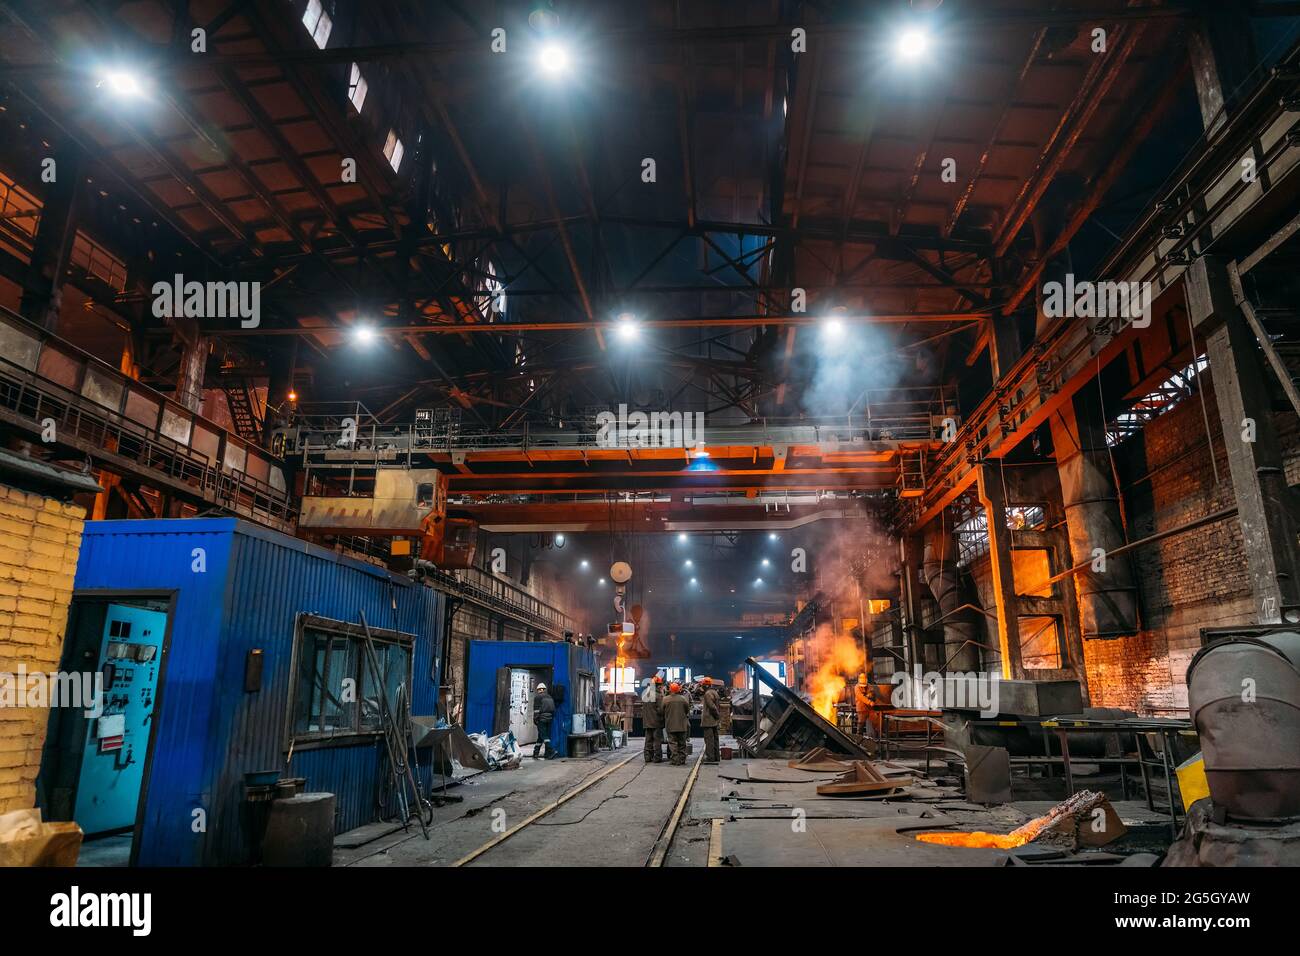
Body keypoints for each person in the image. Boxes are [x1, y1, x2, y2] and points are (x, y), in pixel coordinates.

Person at [661, 682, 690, 765]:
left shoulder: (665, 699)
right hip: (682, 725)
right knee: (682, 743)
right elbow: (687, 710)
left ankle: (675, 760)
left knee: (673, 743)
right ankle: (682, 759)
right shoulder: (683, 699)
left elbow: (661, 711)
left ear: (670, 689)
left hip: (670, 724)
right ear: (678, 690)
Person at [641, 675, 665, 763]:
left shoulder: (646, 694)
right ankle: (657, 758)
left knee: (648, 740)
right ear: (658, 686)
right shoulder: (658, 696)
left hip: (647, 722)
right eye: (661, 685)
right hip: (656, 722)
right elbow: (661, 710)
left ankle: (647, 757)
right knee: (657, 740)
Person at [700, 677, 720, 764]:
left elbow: (712, 707)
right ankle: (716, 757)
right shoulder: (714, 692)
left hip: (709, 720)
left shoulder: (707, 694)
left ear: (705, 685)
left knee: (709, 740)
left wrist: (716, 715)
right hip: (714, 721)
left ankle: (710, 758)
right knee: (715, 739)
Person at [532, 682, 555, 759]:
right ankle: (536, 753)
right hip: (549, 719)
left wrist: (535, 719)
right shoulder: (550, 697)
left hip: (541, 719)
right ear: (545, 689)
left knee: (544, 736)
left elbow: (536, 710)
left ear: (538, 690)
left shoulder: (538, 698)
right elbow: (553, 709)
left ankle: (551, 750)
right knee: (541, 736)